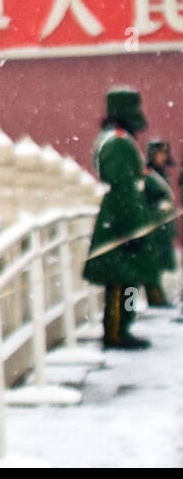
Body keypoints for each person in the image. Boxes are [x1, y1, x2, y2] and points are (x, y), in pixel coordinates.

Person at [83, 87, 159, 350]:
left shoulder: (113, 138)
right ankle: (116, 332)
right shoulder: (118, 142)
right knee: (121, 281)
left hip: (118, 219)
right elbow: (124, 187)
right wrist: (134, 227)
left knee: (127, 280)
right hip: (121, 222)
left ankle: (121, 328)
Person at [142, 139, 177, 308]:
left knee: (153, 269)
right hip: (149, 230)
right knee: (137, 275)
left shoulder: (160, 175)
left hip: (159, 229)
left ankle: (153, 300)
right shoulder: (147, 176)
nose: (162, 157)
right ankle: (131, 306)